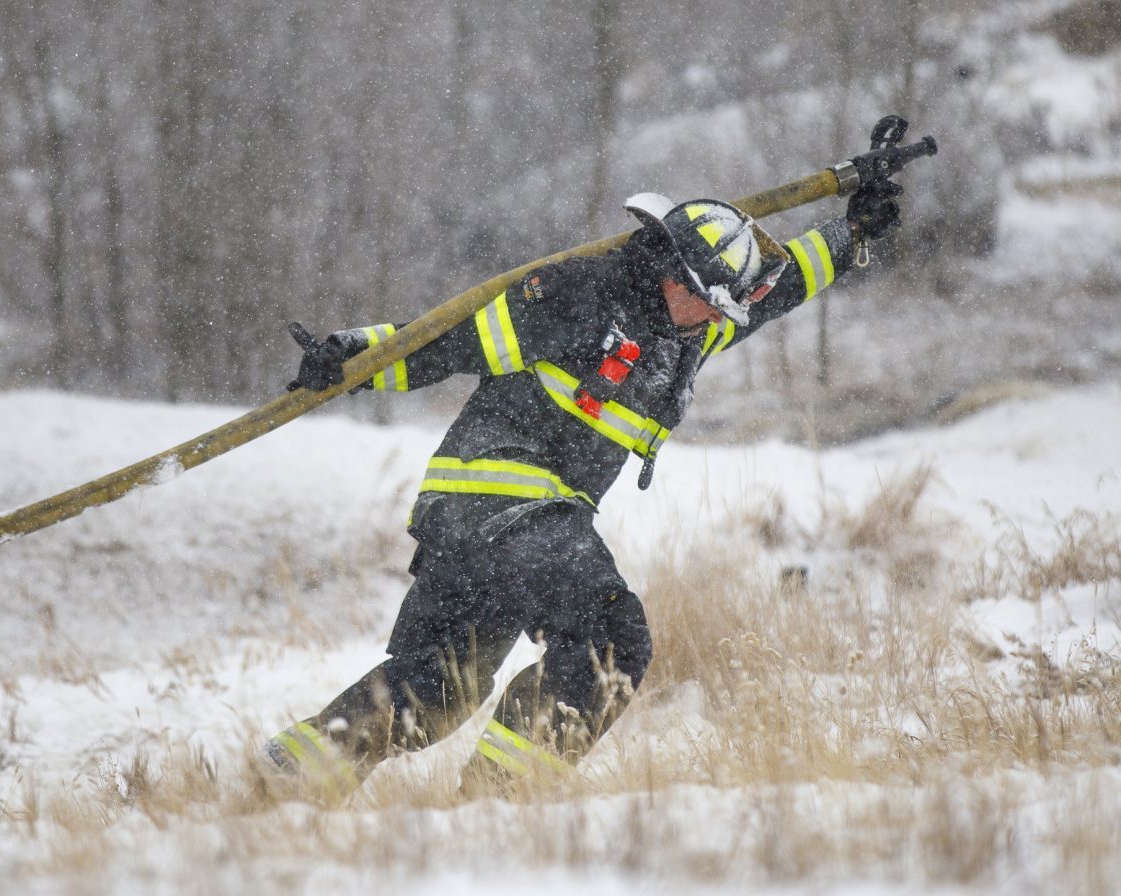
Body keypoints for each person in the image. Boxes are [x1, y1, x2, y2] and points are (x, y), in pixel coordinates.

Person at [264, 182, 902, 797]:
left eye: (722, 306)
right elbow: (445, 342)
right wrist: (349, 359)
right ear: (671, 273)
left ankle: (290, 777)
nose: (715, 316)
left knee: (439, 688)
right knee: (610, 641)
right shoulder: (578, 296)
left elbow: (776, 289)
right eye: (707, 299)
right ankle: (498, 807)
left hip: (484, 519)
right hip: (503, 497)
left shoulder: (694, 326)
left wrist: (851, 232)